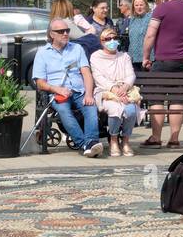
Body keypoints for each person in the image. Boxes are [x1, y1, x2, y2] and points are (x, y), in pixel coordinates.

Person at [33, 19, 104, 158]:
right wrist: (56, 89)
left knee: (90, 108)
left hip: (79, 90)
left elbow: (86, 73)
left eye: (67, 31)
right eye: (61, 31)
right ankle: (85, 144)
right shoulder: (42, 53)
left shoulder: (77, 49)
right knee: (64, 112)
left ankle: (91, 142)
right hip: (58, 93)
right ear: (52, 34)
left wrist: (89, 94)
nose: (65, 34)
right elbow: (39, 83)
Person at [143, 0, 183, 148]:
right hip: (182, 62)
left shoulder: (162, 8)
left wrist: (145, 56)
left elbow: (151, 34)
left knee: (156, 99)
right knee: (177, 100)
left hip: (162, 61)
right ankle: (174, 139)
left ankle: (156, 138)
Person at [90, 27, 139, 158]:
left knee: (131, 110)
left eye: (115, 38)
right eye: (108, 39)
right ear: (102, 41)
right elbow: (99, 78)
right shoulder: (96, 57)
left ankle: (126, 141)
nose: (112, 41)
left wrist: (125, 87)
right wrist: (114, 90)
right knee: (115, 109)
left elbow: (131, 75)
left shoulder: (124, 56)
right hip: (106, 93)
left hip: (125, 91)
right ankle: (113, 140)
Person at [127, 0, 153, 71]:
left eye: (141, 5)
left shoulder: (151, 18)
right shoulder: (132, 20)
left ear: (146, 5)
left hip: (147, 59)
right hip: (133, 58)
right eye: (136, 5)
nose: (139, 7)